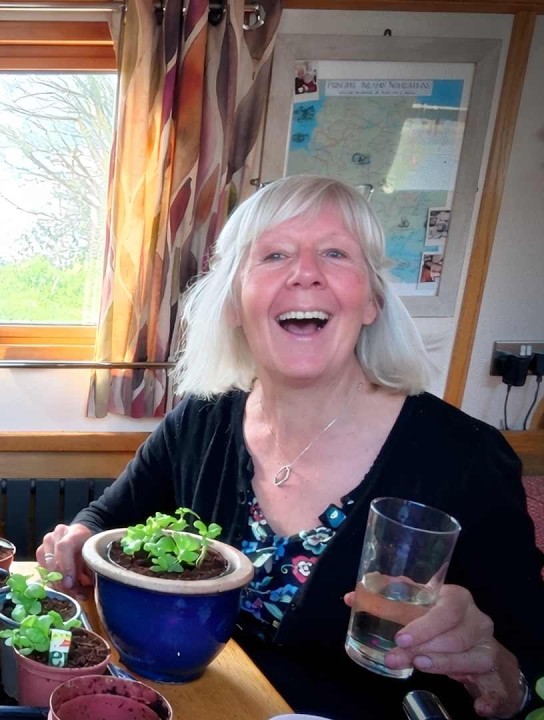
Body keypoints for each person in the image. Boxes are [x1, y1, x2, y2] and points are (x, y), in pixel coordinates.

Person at [38, 176, 544, 718]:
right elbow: (107, 515)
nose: (305, 273)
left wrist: (491, 666)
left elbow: (527, 671)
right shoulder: (200, 422)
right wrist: (76, 541)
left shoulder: (467, 457)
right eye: (275, 255)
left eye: (335, 253)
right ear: (235, 301)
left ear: (372, 299)